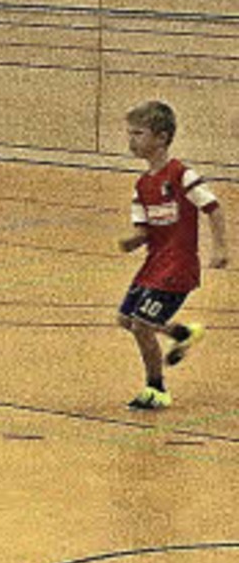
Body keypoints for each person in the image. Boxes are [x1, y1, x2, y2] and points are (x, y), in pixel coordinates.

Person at [112, 100, 229, 410]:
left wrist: (220, 247)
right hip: (154, 264)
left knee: (141, 325)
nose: (131, 140)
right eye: (129, 133)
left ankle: (156, 389)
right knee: (125, 319)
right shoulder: (142, 185)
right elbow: (144, 230)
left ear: (161, 137)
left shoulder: (181, 175)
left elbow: (213, 208)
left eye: (138, 133)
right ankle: (181, 333)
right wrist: (133, 241)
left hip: (178, 266)